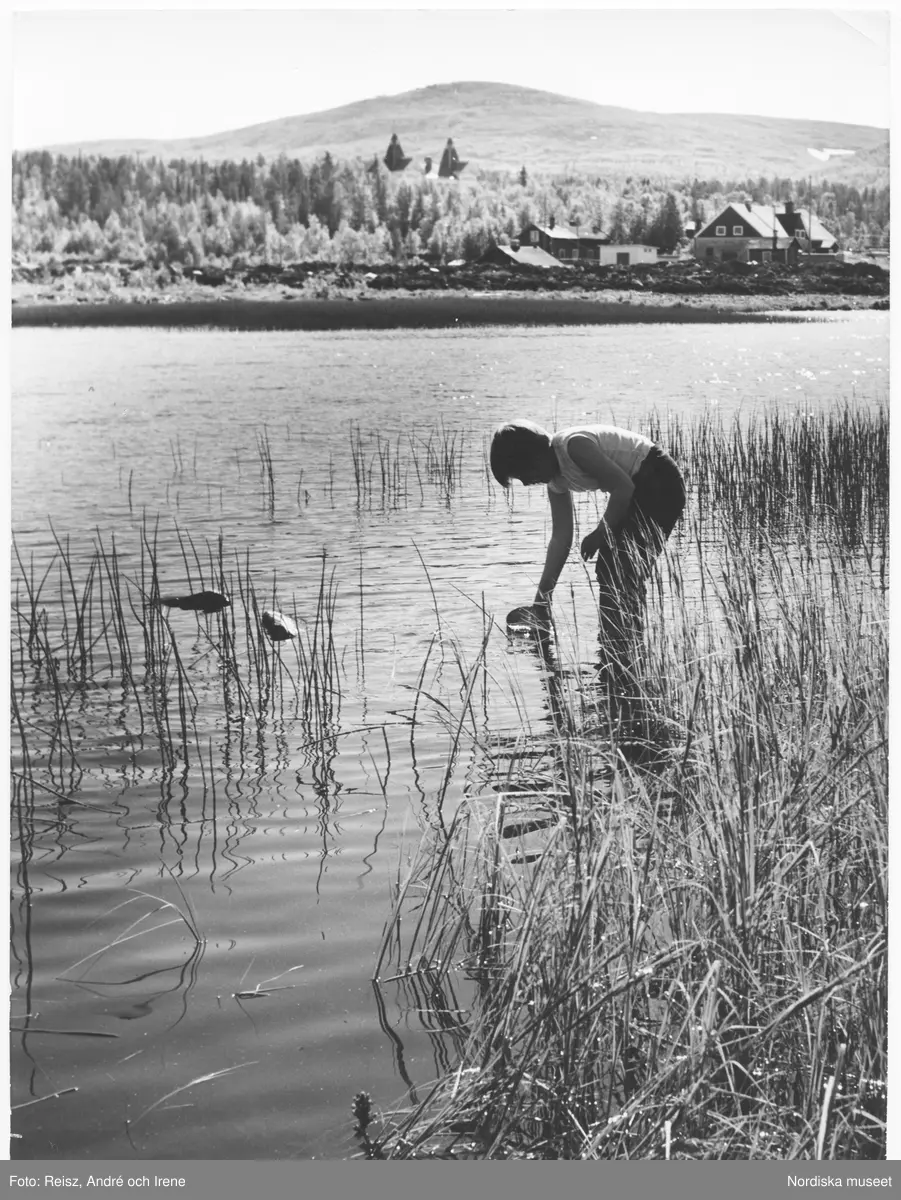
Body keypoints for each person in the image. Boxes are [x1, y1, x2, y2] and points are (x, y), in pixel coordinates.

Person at [489, 420, 686, 683]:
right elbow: (561, 538)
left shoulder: (574, 446)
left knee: (620, 568)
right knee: (613, 568)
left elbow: (623, 487)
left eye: (523, 472)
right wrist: (541, 601)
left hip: (659, 480)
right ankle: (620, 649)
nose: (525, 482)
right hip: (639, 490)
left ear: (537, 453)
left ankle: (621, 650)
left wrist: (602, 532)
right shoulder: (556, 481)